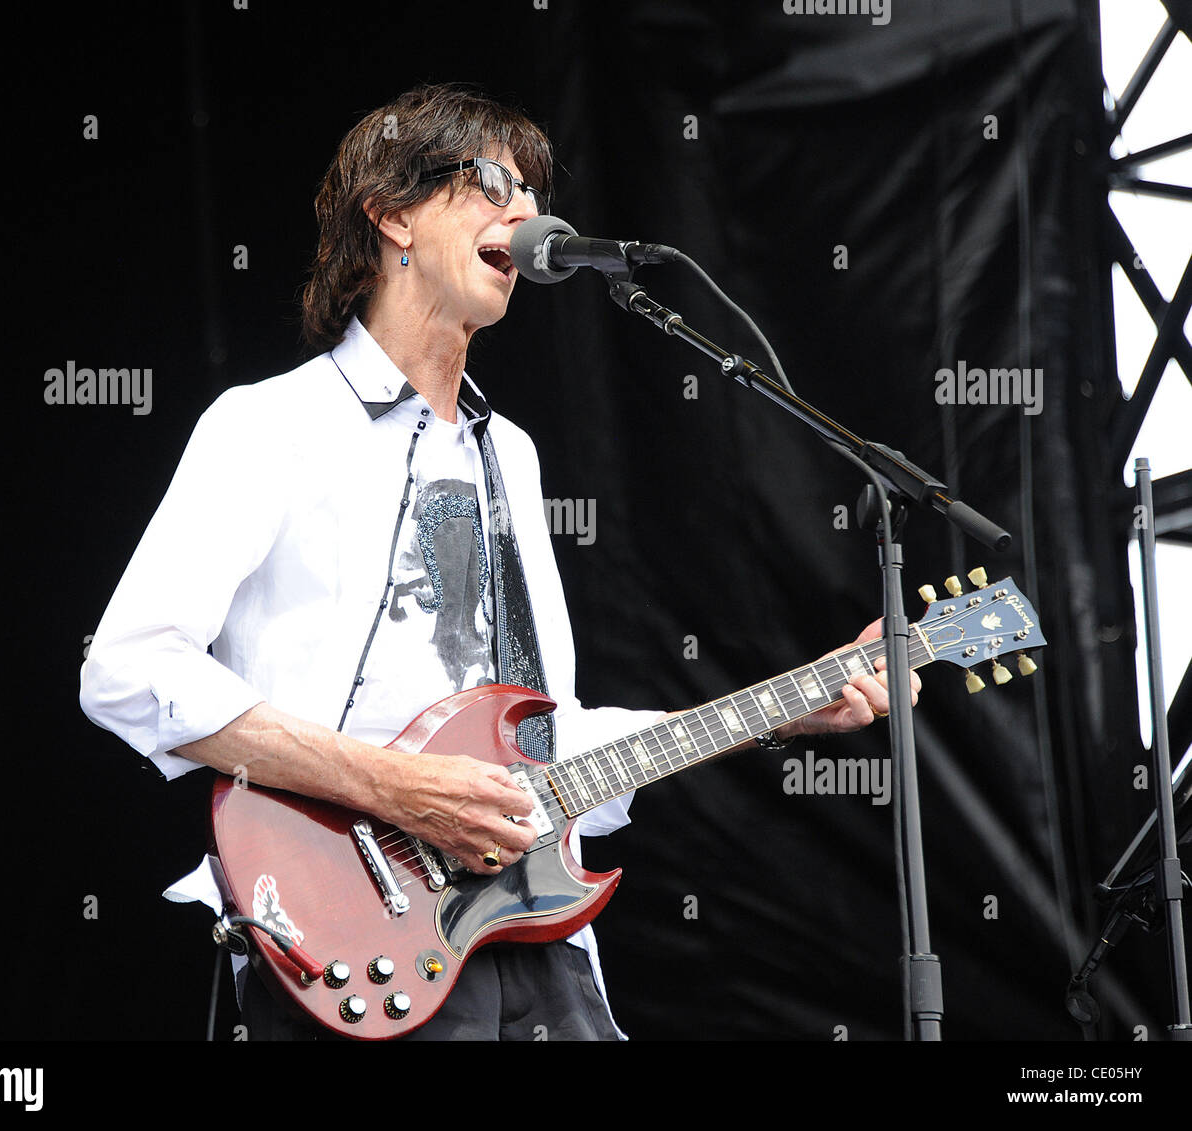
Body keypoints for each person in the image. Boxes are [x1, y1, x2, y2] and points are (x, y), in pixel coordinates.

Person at [79, 82, 918, 1041]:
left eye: (532, 192)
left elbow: (546, 745)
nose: (525, 213)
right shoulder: (270, 425)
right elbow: (128, 669)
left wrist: (784, 708)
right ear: (391, 215)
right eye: (490, 182)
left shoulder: (507, 455)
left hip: (533, 939)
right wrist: (392, 785)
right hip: (345, 933)